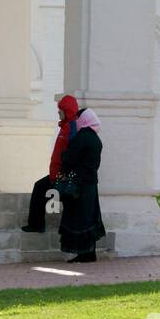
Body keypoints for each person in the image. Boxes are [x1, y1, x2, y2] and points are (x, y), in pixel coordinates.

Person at [22, 94, 80, 233]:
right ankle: (36, 224)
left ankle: (37, 225)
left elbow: (71, 153)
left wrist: (64, 174)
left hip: (63, 176)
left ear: (68, 111)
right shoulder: (65, 127)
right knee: (39, 188)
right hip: (56, 174)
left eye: (61, 110)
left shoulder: (72, 129)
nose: (58, 112)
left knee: (40, 189)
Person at [58, 108, 105, 263]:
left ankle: (83, 253)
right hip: (91, 183)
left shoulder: (81, 137)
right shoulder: (95, 138)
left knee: (79, 217)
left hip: (79, 184)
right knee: (89, 217)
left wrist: (63, 158)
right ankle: (89, 252)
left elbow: (69, 158)